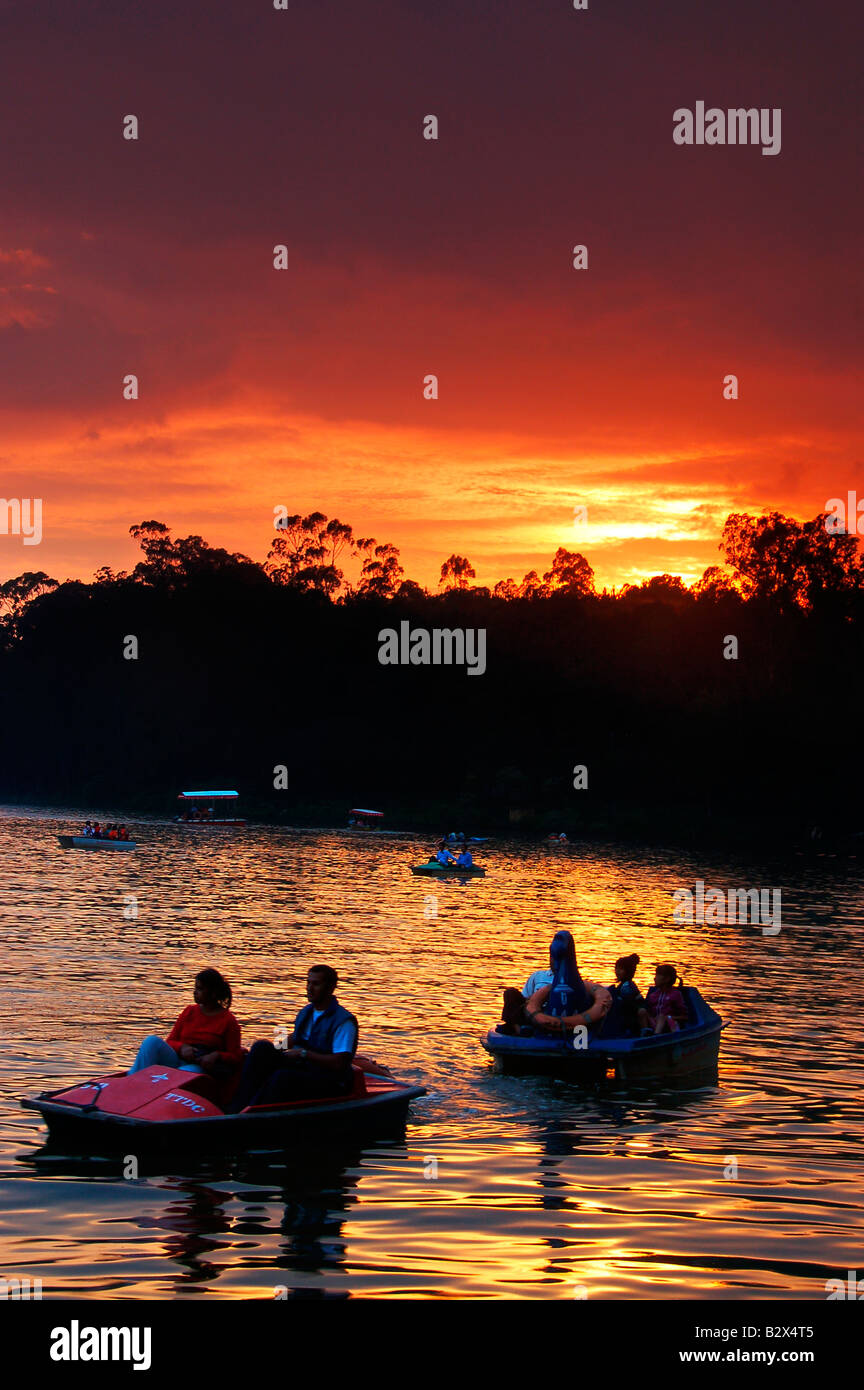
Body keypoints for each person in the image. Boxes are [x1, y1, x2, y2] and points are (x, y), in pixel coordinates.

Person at [229, 964, 358, 1110]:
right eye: (308, 983)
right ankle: (236, 1107)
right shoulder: (307, 1012)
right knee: (261, 1047)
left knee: (282, 1077)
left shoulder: (343, 1021)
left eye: (316, 984)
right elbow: (296, 1037)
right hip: (305, 1067)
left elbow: (339, 1064)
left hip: (329, 1079)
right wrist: (274, 1050)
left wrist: (304, 1054)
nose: (309, 988)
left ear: (330, 988)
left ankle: (253, 1112)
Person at [128, 968, 242, 1102]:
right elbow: (170, 1041)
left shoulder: (228, 1021)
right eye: (195, 988)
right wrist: (182, 1047)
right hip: (178, 1058)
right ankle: (132, 1084)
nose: (195, 992)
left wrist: (215, 1055)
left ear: (213, 993)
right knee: (151, 1041)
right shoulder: (189, 1012)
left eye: (200, 989)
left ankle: (154, 1099)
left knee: (185, 1072)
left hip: (200, 1067)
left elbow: (236, 1057)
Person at [525, 931, 611, 1035]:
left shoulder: (579, 983)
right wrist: (534, 1010)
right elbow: (526, 1001)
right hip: (543, 1014)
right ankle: (518, 1030)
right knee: (511, 995)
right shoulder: (537, 977)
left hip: (579, 1018)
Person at [637, 964, 689, 1035]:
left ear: (667, 979)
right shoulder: (653, 995)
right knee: (642, 1011)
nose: (655, 978)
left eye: (657, 976)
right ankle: (646, 1032)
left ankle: (656, 1036)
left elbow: (684, 1017)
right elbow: (649, 1012)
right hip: (655, 1022)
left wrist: (667, 1017)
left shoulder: (675, 994)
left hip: (670, 1025)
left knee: (661, 1017)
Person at [600, 953, 644, 1036]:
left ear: (628, 971)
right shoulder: (621, 986)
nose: (617, 971)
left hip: (629, 1018)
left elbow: (627, 1005)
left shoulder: (627, 986)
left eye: (620, 969)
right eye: (616, 968)